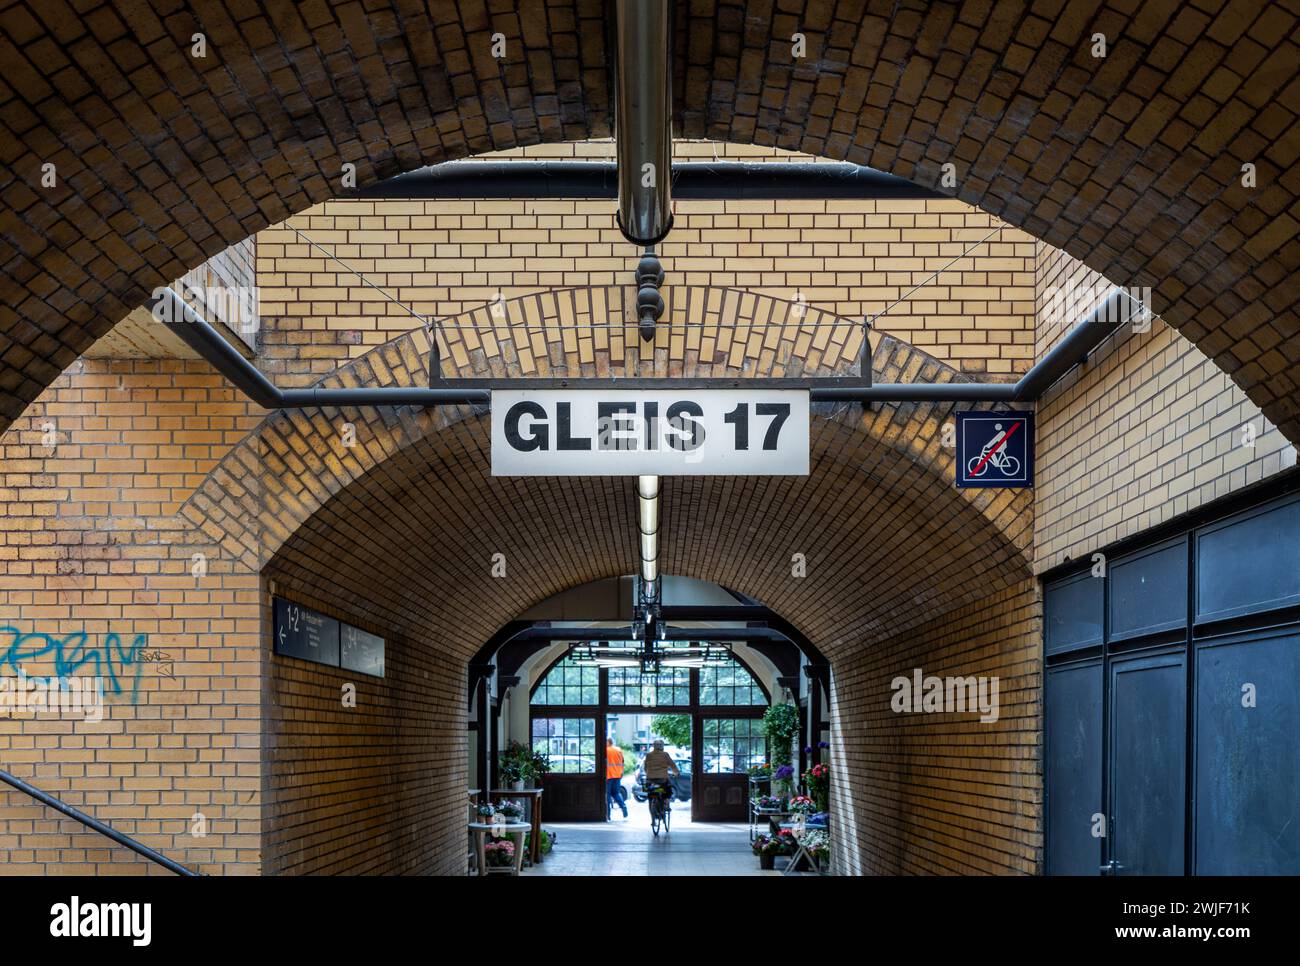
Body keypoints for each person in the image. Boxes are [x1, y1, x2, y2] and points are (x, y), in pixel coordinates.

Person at [641, 739, 679, 803]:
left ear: (654, 746)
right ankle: (666, 802)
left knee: (649, 790)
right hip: (662, 779)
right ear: (662, 746)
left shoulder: (648, 755)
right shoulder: (665, 754)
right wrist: (676, 773)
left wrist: (648, 773)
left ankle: (652, 802)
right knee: (669, 789)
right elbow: (672, 765)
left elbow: (645, 767)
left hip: (650, 779)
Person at [605, 737, 628, 820]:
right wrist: (621, 772)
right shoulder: (619, 750)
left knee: (607, 795)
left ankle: (608, 815)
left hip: (608, 775)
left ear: (608, 742)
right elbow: (622, 762)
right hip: (617, 775)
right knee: (616, 793)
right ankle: (623, 807)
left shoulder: (606, 750)